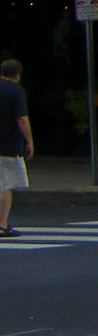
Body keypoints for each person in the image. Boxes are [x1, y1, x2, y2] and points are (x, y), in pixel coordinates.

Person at [0, 56, 31, 238]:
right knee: (5, 184)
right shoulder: (15, 91)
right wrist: (29, 141)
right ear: (17, 75)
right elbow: (22, 119)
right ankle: (2, 224)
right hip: (7, 145)